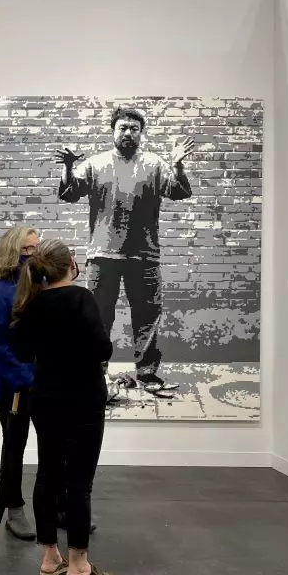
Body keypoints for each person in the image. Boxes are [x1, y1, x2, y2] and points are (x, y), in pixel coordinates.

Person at [55, 106, 195, 397]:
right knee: (97, 317)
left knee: (147, 315)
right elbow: (69, 193)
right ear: (113, 131)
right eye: (123, 128)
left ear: (141, 133)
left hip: (144, 256)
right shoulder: (95, 164)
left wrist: (179, 165)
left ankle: (147, 374)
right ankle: (96, 374)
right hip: (103, 255)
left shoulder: (155, 164)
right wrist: (67, 167)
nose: (128, 132)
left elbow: (180, 191)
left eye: (134, 128)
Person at [10, 239, 122, 575]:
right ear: (69, 265)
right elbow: (103, 347)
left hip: (44, 400)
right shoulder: (81, 299)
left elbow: (22, 350)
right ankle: (79, 567)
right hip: (83, 401)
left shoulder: (33, 303)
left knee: (48, 475)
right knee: (79, 483)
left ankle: (50, 558)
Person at [0, 226, 39, 541]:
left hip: (42, 381)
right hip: (13, 384)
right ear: (13, 253)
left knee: (55, 445)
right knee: (14, 447)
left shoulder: (39, 286)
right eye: (28, 249)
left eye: (37, 248)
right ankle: (13, 508)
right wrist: (22, 377)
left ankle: (58, 507)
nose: (34, 255)